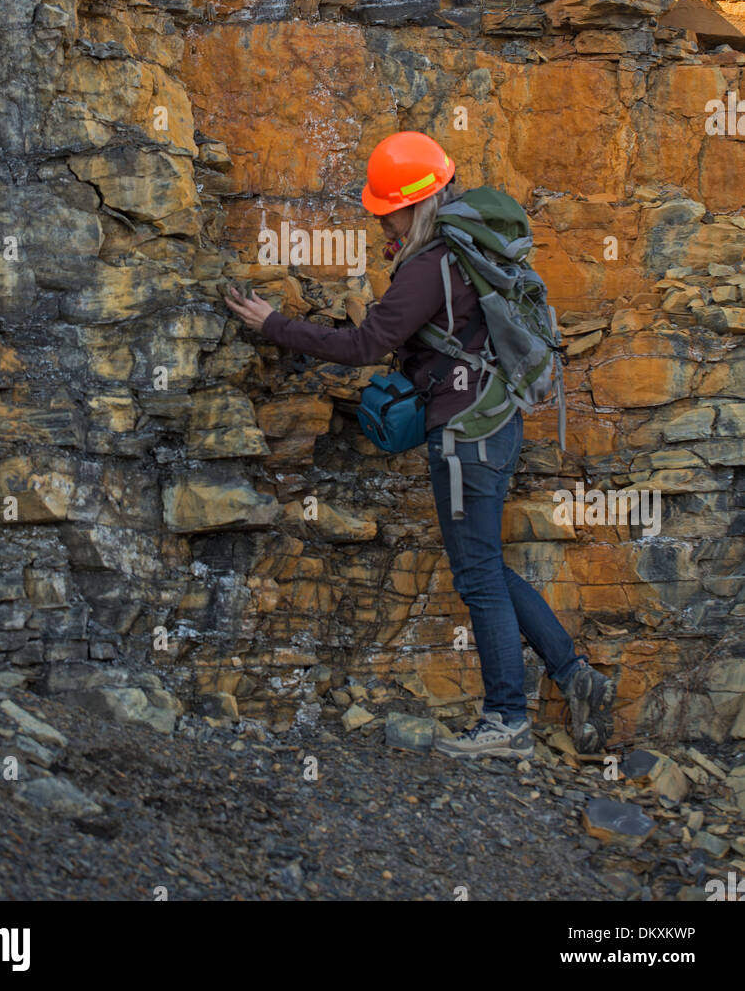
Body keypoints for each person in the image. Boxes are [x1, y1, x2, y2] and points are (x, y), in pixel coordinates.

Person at [224, 130, 616, 760]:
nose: (381, 219)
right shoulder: (463, 252)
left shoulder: (430, 265)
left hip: (465, 434)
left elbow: (364, 347)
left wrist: (275, 325)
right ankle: (574, 676)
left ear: (411, 204)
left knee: (477, 574)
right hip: (496, 420)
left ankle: (506, 721)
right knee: (484, 562)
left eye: (385, 211)